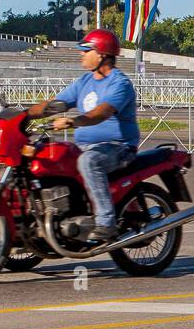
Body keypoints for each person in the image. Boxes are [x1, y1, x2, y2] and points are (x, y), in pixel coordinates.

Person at [27, 28, 138, 242]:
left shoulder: (119, 83)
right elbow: (54, 105)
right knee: (47, 157)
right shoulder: (84, 82)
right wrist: (23, 115)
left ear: (102, 54)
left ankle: (107, 222)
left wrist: (74, 121)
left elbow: (101, 113)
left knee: (89, 162)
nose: (81, 54)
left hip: (117, 147)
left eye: (86, 50)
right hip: (84, 147)